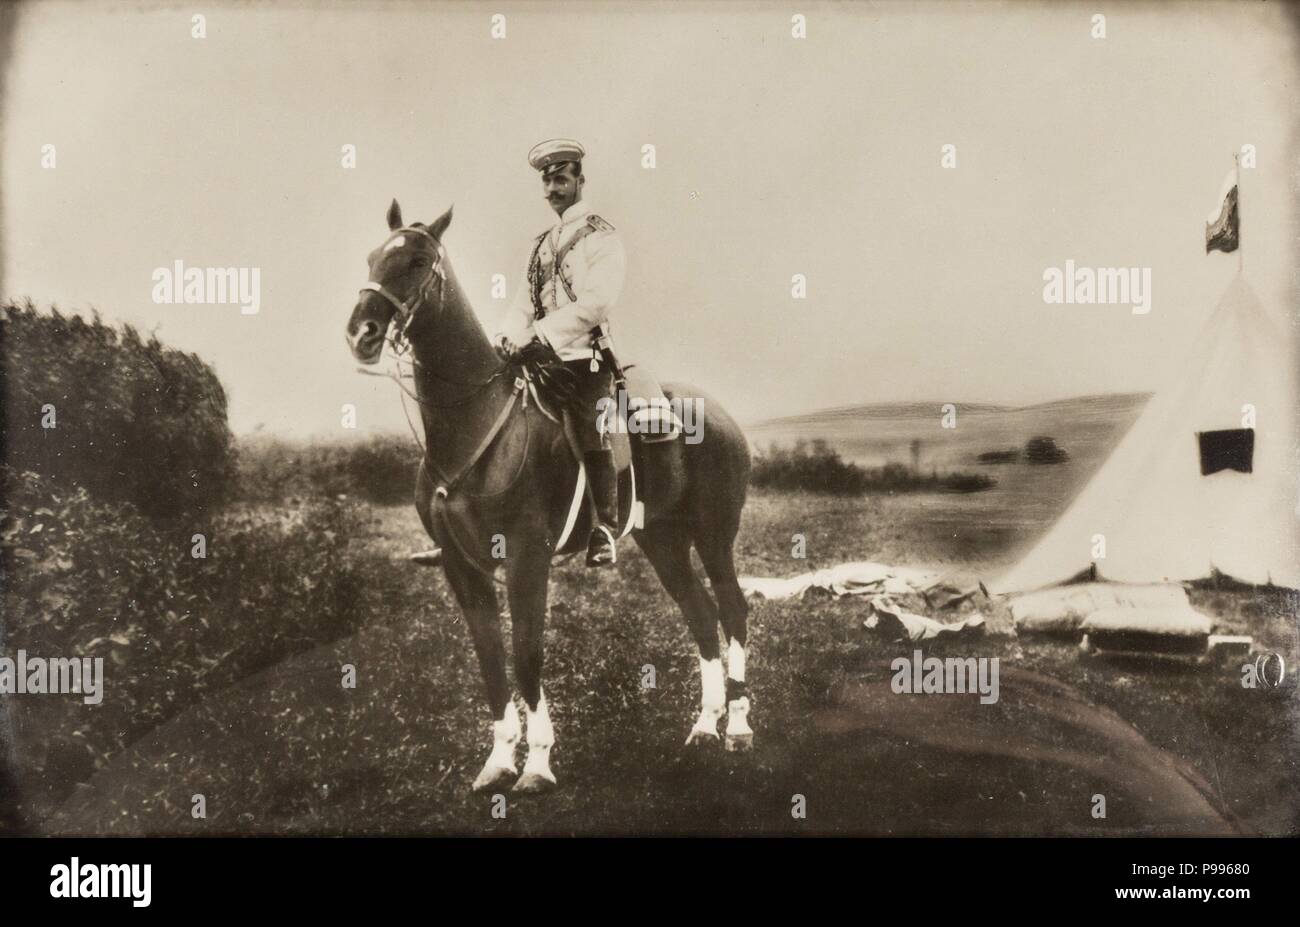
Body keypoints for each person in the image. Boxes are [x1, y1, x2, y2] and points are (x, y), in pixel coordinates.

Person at [493, 138, 627, 567]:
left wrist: (541, 335)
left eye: (562, 179)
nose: (553, 188)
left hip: (582, 361)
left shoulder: (602, 237)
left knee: (588, 425)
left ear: (580, 181)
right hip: (539, 360)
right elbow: (521, 305)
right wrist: (508, 336)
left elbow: (596, 302)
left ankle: (604, 527)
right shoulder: (541, 244)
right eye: (547, 182)